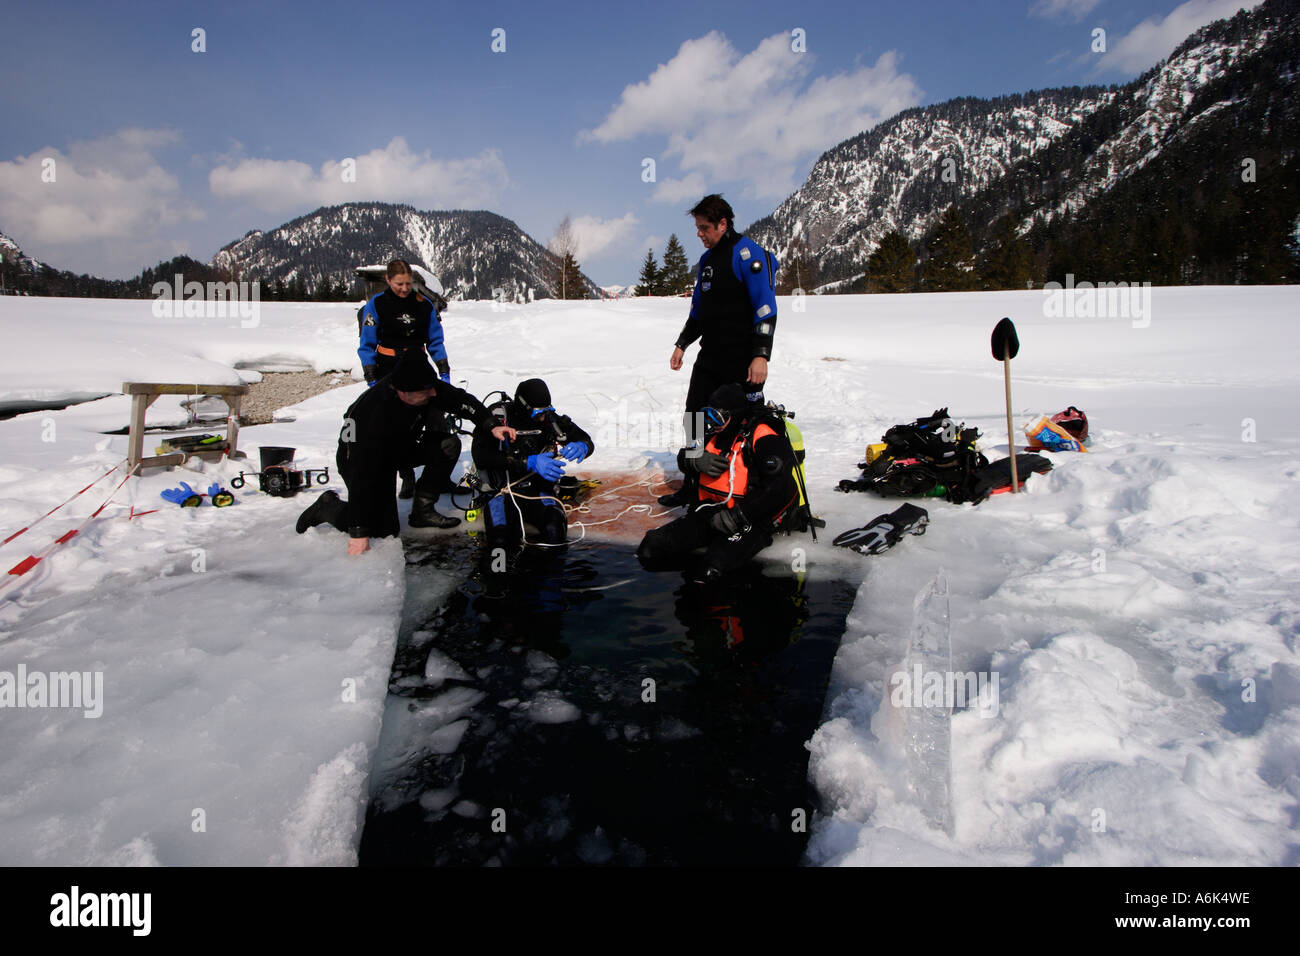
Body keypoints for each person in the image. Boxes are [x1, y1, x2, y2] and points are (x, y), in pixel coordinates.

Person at [296, 349, 515, 554]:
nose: (433, 393)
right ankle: (328, 507)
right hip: (361, 460)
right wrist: (358, 532)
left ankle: (423, 511)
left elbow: (461, 401)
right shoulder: (373, 414)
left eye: (433, 387)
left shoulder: (426, 386)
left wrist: (490, 424)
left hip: (400, 447)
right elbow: (362, 473)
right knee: (382, 531)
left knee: (448, 444)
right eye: (426, 390)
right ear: (403, 391)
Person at [660, 194, 779, 508]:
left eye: (704, 228)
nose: (699, 234)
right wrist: (682, 344)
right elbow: (699, 312)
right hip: (710, 358)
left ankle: (747, 490)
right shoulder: (707, 262)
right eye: (697, 227)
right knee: (694, 419)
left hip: (742, 360)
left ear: (723, 223)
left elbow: (765, 310)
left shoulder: (748, 255)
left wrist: (760, 355)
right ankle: (693, 484)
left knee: (740, 426)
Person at [637, 383, 797, 582]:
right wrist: (692, 459)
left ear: (736, 415)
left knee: (710, 570)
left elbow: (779, 487)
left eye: (718, 417)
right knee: (650, 546)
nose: (712, 422)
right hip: (711, 510)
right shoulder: (709, 430)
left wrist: (738, 515)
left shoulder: (763, 437)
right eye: (708, 414)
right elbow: (684, 458)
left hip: (751, 517)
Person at [357, 259, 452, 499]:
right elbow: (367, 343)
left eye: (408, 283)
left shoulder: (424, 304)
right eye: (399, 283)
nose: (404, 288)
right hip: (389, 368)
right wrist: (370, 374)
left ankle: (437, 476)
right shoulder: (376, 305)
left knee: (436, 418)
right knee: (397, 426)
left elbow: (435, 340)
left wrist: (443, 368)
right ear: (388, 280)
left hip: (419, 366)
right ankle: (407, 476)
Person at [470, 378, 594, 547]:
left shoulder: (550, 419)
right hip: (502, 492)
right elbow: (481, 457)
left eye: (547, 411)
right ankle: (497, 571)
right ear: (524, 406)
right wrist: (527, 462)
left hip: (540, 491)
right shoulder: (498, 417)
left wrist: (583, 446)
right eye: (538, 413)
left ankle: (552, 573)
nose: (543, 418)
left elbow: (584, 439)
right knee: (500, 540)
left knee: (554, 530)